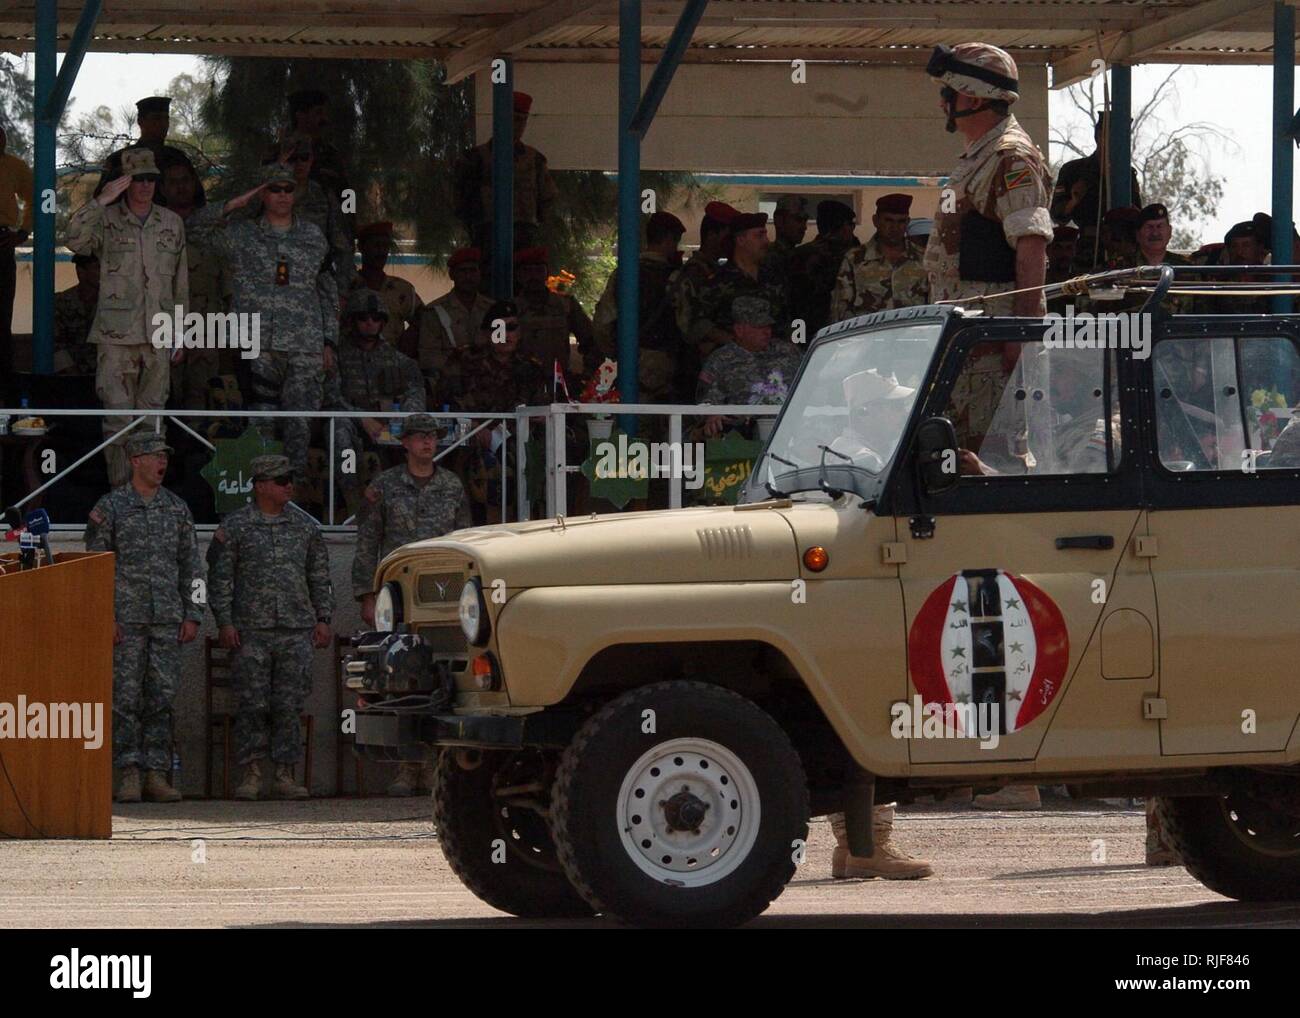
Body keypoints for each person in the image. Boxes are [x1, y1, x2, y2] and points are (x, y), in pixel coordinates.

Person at [352, 414, 472, 794]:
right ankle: (407, 767)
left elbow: (467, 539)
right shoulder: (385, 487)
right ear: (404, 443)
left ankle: (440, 767)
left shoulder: (452, 486)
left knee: (446, 679)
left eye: (432, 437)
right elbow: (368, 541)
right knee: (402, 679)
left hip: (446, 595)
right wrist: (367, 594)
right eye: (419, 437)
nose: (427, 443)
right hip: (400, 597)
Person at [194, 162, 338, 475]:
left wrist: (329, 341)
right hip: (257, 344)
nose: (283, 195)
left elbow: (327, 292)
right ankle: (262, 500)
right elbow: (194, 230)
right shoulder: (241, 236)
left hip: (305, 346)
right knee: (261, 426)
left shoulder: (314, 237)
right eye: (275, 188)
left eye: (289, 188)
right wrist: (235, 203)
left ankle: (295, 502)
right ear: (263, 193)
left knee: (299, 427)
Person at [84, 432, 203, 803]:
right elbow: (95, 568)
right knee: (126, 698)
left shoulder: (177, 508)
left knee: (162, 697)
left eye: (164, 456)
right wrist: (105, 616)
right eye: (154, 456)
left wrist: (194, 613)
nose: (161, 463)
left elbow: (192, 567)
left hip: (167, 618)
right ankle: (129, 773)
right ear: (136, 460)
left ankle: (156, 772)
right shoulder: (112, 507)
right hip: (127, 620)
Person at [208, 453, 334, 801]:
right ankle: (251, 773)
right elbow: (221, 579)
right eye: (281, 481)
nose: (288, 486)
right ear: (261, 485)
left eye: (290, 479)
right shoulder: (235, 527)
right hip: (251, 631)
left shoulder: (305, 527)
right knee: (252, 704)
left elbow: (319, 576)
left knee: (289, 704)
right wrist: (225, 621)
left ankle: (284, 774)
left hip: (296, 629)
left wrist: (323, 618)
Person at [65, 147, 188, 487]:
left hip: (158, 335)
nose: (146, 185)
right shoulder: (106, 219)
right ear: (124, 181)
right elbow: (73, 240)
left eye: (151, 178)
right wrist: (100, 201)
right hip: (116, 337)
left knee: (153, 422)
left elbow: (180, 285)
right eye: (138, 179)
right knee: (118, 421)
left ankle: (149, 499)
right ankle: (121, 497)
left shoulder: (171, 223)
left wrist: (181, 333)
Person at [924, 42, 1053, 317]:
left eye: (948, 93)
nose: (941, 103)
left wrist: (1018, 339)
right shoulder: (982, 157)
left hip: (991, 342)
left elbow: (1031, 250)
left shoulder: (1011, 158)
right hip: (968, 335)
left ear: (973, 99)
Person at [324, 288, 427, 514]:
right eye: (363, 318)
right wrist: (362, 418)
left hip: (390, 427)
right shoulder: (338, 356)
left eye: (376, 318)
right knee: (339, 432)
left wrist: (401, 421)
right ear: (353, 320)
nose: (370, 323)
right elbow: (331, 397)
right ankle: (353, 507)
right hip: (351, 423)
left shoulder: (397, 358)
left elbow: (416, 392)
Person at [450, 300, 551, 521]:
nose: (505, 334)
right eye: (498, 328)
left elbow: (542, 408)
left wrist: (506, 432)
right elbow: (449, 402)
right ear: (487, 333)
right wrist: (476, 429)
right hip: (470, 439)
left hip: (519, 443)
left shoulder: (531, 367)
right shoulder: (466, 361)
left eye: (511, 328)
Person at [453, 91, 559, 266]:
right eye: (513, 119)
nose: (517, 126)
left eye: (521, 120)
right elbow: (460, 199)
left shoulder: (534, 159)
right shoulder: (476, 158)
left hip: (524, 233)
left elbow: (547, 199)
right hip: (487, 233)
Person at [592, 210, 687, 402]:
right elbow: (686, 326)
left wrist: (615, 352)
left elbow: (602, 322)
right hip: (663, 367)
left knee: (627, 426)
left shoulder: (622, 274)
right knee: (662, 426)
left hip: (626, 363)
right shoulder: (676, 279)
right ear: (669, 240)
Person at [160, 154, 228, 409]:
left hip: (206, 321)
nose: (181, 186)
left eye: (186, 180)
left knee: (203, 393)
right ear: (163, 188)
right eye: (173, 181)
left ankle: (198, 444)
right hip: (164, 321)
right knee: (164, 392)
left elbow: (228, 276)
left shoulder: (215, 225)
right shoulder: (155, 226)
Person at [696, 296, 803, 437]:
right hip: (741, 435)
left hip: (793, 427)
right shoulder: (721, 360)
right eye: (759, 327)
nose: (767, 332)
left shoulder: (789, 352)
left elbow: (815, 381)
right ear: (739, 330)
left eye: (768, 326)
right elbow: (705, 403)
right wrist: (711, 415)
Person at [1050, 113, 1142, 271]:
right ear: (1099, 136)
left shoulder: (1126, 173)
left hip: (1123, 250)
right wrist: (1073, 201)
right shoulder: (1074, 170)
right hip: (1088, 250)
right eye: (1112, 135)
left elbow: (1138, 216)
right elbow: (1058, 216)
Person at [667, 200, 740, 381]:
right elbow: (690, 325)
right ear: (711, 235)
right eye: (728, 236)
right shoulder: (695, 274)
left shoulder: (720, 272)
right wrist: (733, 341)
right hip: (695, 369)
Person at [831, 193, 929, 323]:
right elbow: (840, 310)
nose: (895, 227)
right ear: (875, 221)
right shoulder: (855, 259)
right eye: (888, 220)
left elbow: (933, 305)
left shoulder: (923, 259)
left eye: (901, 221)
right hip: (867, 338)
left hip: (911, 338)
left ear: (907, 222)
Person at [414, 246, 493, 402]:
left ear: (480, 274)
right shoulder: (434, 311)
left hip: (489, 385)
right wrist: (460, 364)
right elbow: (428, 357)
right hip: (451, 387)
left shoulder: (493, 310)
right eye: (462, 271)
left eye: (473, 271)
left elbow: (502, 347)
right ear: (452, 275)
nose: (468, 277)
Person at [94, 96, 202, 208]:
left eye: (166, 119)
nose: (163, 124)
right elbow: (102, 200)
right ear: (141, 121)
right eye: (156, 118)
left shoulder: (177, 157)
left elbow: (198, 198)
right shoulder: (120, 159)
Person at [701, 211, 789, 347]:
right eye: (760, 235)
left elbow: (788, 320)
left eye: (765, 235)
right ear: (741, 240)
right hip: (734, 363)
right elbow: (700, 325)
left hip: (775, 360)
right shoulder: (718, 282)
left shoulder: (774, 277)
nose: (766, 241)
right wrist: (733, 343)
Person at [513, 246, 596, 380]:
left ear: (547, 273)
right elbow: (496, 348)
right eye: (527, 271)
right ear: (519, 276)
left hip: (558, 384)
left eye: (539, 270)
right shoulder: (509, 309)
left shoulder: (566, 305)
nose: (534, 276)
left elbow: (591, 343)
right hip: (519, 385)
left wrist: (588, 375)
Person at [788, 199, 859, 337]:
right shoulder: (853, 257)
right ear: (843, 227)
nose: (851, 229)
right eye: (850, 224)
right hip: (831, 329)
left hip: (811, 330)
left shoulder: (801, 254)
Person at [352, 221, 418, 348]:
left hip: (393, 362)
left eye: (385, 246)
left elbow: (424, 321)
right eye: (376, 245)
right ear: (361, 247)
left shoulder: (402, 289)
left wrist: (405, 347)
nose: (381, 251)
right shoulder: (349, 286)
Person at [0, 124, 32, 381]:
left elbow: (37, 197)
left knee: (2, 315)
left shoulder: (15, 166)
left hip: (2, 240)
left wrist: (22, 232)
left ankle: (5, 383)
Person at [53, 254, 101, 376]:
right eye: (97, 267)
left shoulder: (110, 304)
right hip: (69, 377)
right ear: (81, 272)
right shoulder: (61, 302)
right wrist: (73, 374)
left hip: (106, 376)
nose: (103, 272)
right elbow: (55, 343)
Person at [762, 194, 810, 281]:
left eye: (805, 221)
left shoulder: (800, 257)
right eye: (798, 219)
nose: (804, 227)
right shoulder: (765, 258)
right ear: (779, 220)